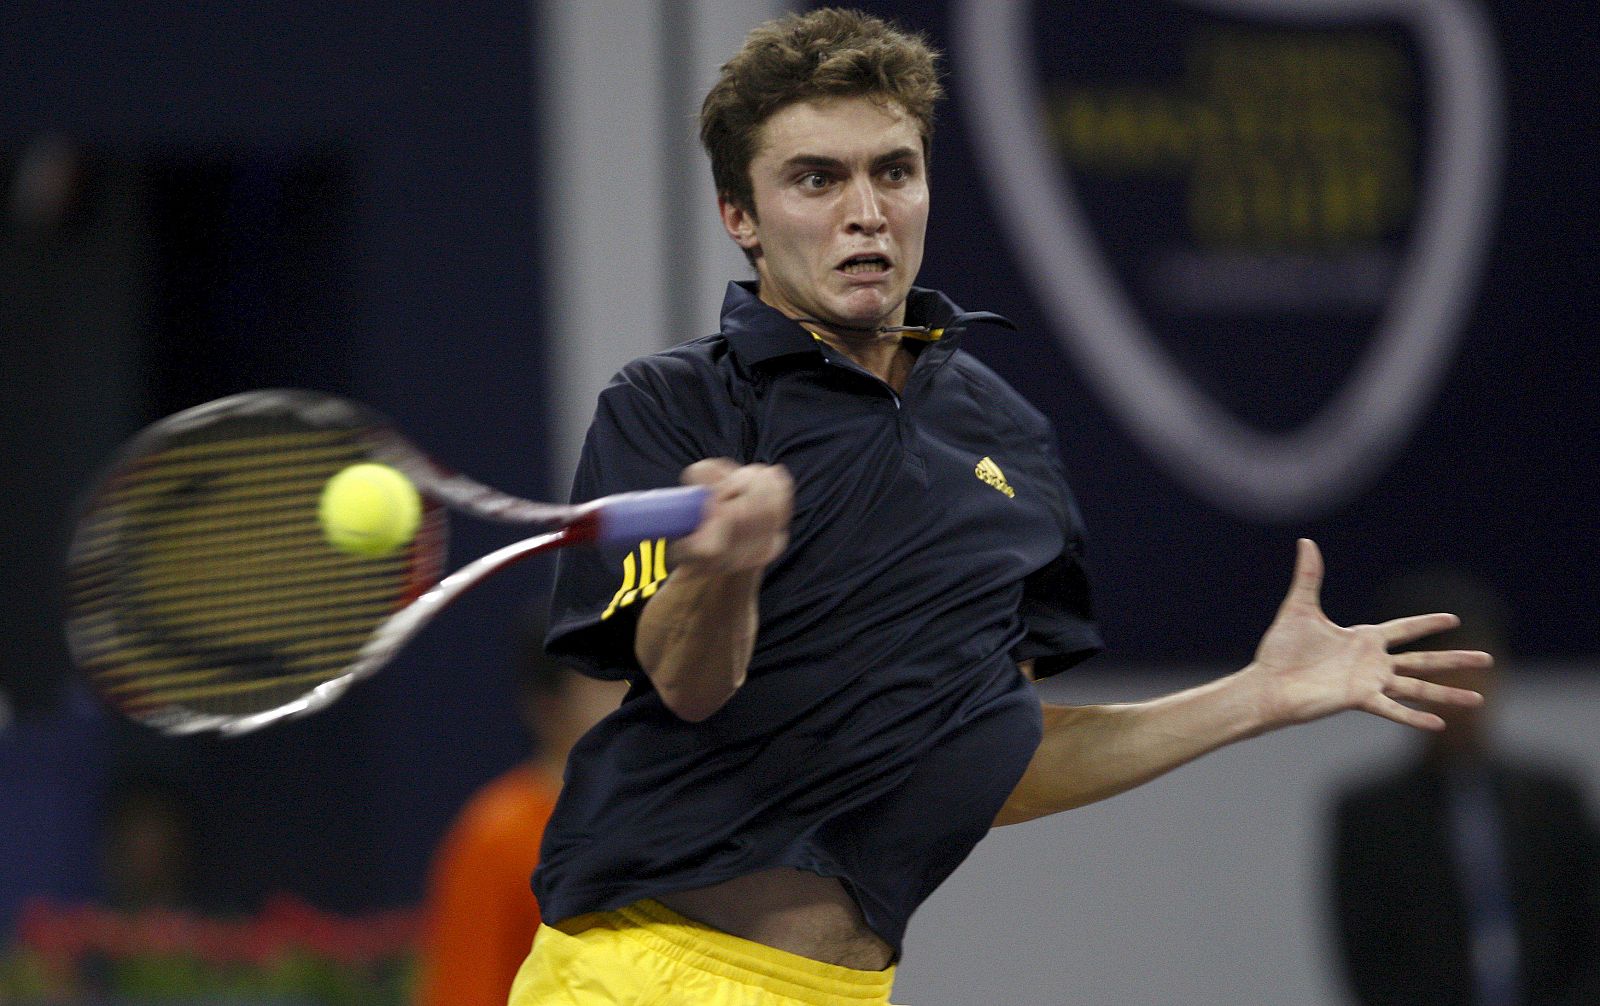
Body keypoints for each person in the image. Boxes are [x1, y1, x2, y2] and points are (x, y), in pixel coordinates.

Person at [514, 10, 1491, 1004]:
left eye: (892, 171)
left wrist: (1256, 696)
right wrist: (723, 565)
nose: (866, 211)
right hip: (641, 974)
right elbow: (684, 686)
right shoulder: (673, 406)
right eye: (816, 178)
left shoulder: (1006, 438)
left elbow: (995, 761)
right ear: (740, 216)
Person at [1328, 571, 1600, 1006]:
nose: (1457, 691)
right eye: (1441, 673)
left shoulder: (1554, 798)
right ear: (1404, 684)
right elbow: (1366, 952)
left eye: (1470, 670)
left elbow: (1587, 932)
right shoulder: (1371, 813)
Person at [416, 606, 625, 1006]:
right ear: (549, 707)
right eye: (608, 680)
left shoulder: (676, 820)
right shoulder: (497, 837)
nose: (635, 697)